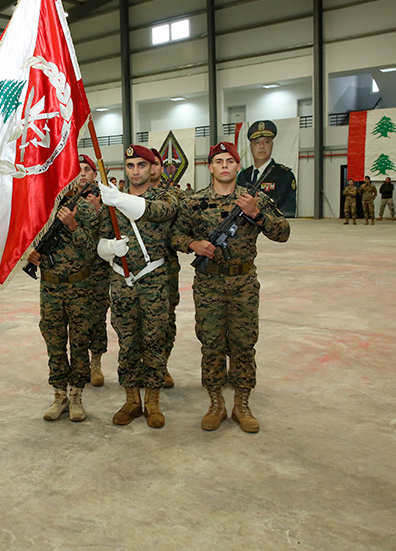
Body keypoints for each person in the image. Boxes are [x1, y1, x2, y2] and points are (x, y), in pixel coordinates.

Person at [172, 142, 290, 433]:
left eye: (229, 161)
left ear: (238, 166)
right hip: (208, 283)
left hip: (243, 283)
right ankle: (216, 403)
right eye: (218, 161)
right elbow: (174, 235)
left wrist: (257, 214)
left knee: (243, 343)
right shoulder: (194, 201)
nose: (224, 165)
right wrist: (193, 244)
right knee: (211, 343)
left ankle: (242, 404)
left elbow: (283, 233)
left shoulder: (253, 199)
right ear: (210, 167)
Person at [96, 144, 177, 428]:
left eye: (141, 165)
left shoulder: (163, 196)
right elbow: (100, 242)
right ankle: (132, 400)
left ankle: (152, 402)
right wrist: (109, 248)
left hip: (153, 279)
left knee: (154, 341)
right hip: (122, 280)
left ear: (152, 167)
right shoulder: (111, 203)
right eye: (130, 166)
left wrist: (119, 198)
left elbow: (158, 211)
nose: (135, 171)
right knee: (127, 341)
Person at [28, 159, 100, 422]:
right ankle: (59, 395)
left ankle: (76, 396)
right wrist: (30, 253)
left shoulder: (87, 210)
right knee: (54, 343)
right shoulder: (40, 207)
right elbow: (27, 239)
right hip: (50, 287)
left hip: (79, 286)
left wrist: (72, 225)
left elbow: (92, 251)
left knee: (79, 343)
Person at [150, 147, 181, 388]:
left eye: (155, 163)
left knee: (166, 319)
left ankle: (162, 366)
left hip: (167, 266)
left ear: (162, 168)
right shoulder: (129, 197)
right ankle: (141, 368)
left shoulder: (174, 196)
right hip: (137, 268)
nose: (151, 168)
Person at [78, 155, 110, 386]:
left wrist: (99, 210)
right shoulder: (65, 198)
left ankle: (95, 362)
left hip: (98, 270)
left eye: (87, 169)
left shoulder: (106, 199)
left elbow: (114, 234)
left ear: (95, 174)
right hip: (74, 269)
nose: (82, 173)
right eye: (78, 169)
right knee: (77, 319)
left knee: (97, 317)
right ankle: (79, 364)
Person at [236, 120, 297, 218]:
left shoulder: (284, 175)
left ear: (272, 145)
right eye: (257, 142)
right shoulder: (243, 176)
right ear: (251, 147)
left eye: (266, 142)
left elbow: (287, 212)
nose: (261, 146)